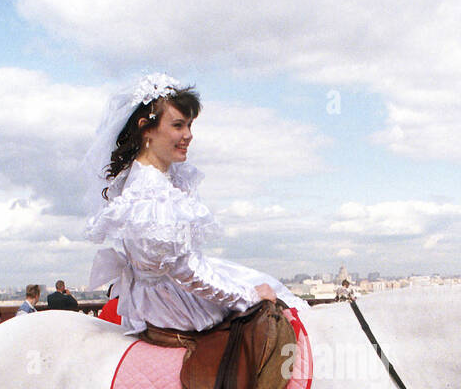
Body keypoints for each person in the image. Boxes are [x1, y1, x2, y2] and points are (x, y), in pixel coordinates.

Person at [83, 73, 302, 335]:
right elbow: (187, 273)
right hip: (170, 305)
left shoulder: (158, 178)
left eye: (189, 126)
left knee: (269, 291)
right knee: (271, 306)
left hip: (171, 290)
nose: (188, 135)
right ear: (146, 128)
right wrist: (248, 295)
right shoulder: (151, 195)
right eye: (178, 125)